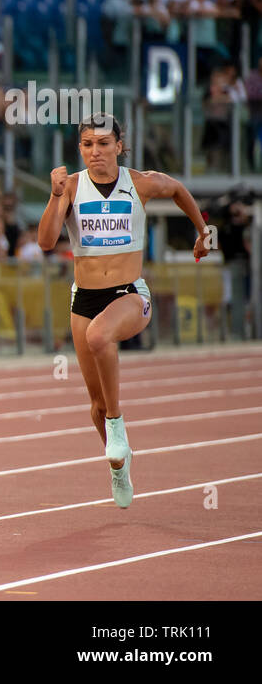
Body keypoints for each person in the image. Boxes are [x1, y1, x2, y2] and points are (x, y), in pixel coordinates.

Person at [38, 113, 212, 509]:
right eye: (87, 145)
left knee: (99, 336)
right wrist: (53, 195)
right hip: (84, 298)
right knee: (96, 405)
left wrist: (203, 232)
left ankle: (118, 429)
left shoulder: (140, 183)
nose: (95, 152)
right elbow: (47, 242)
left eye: (103, 144)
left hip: (131, 293)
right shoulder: (71, 188)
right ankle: (119, 464)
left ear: (119, 146)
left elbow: (179, 188)